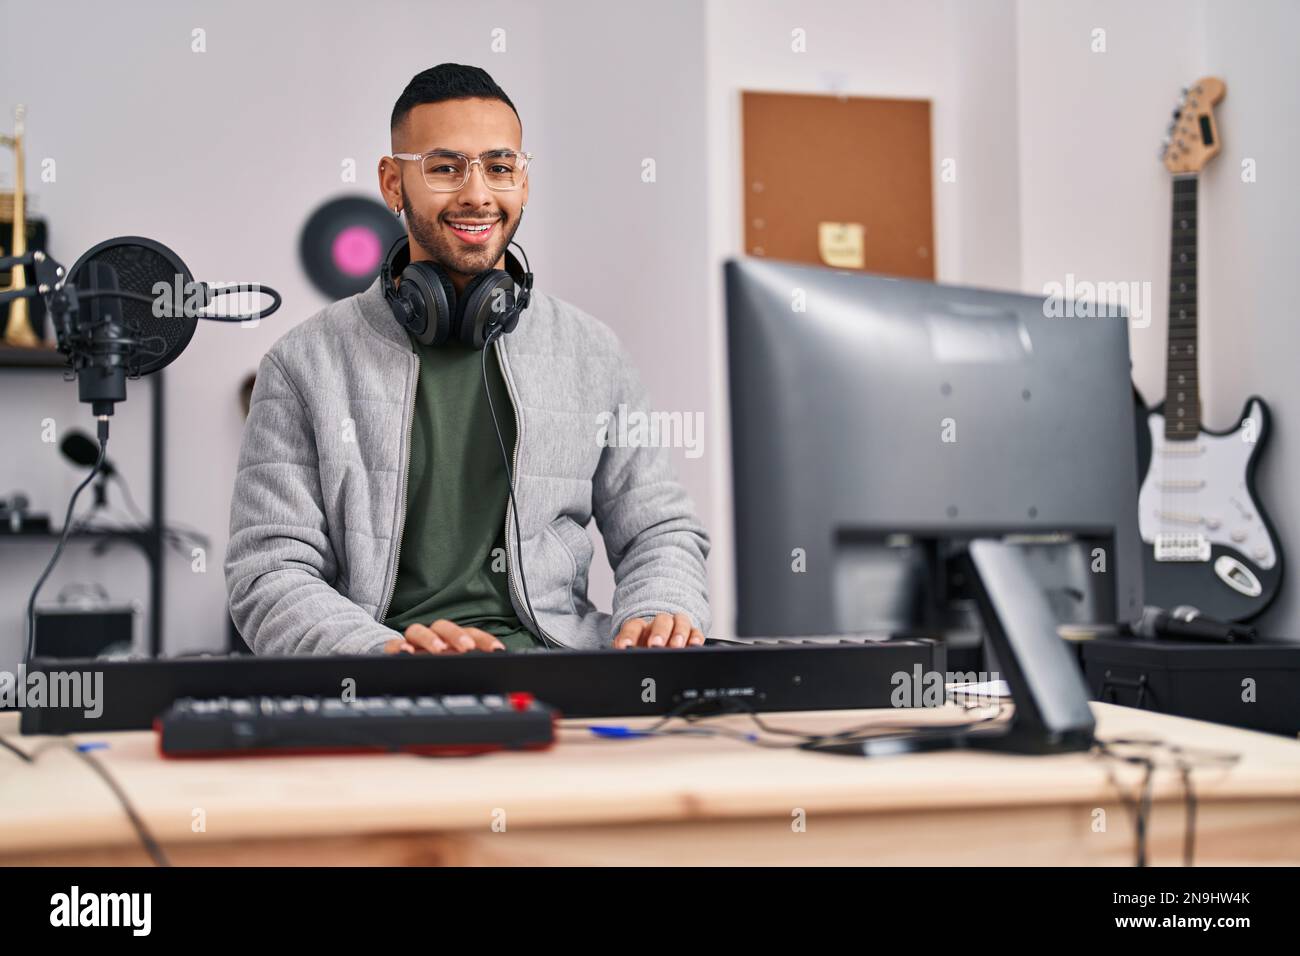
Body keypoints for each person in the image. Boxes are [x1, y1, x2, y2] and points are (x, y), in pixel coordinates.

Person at [225, 64, 710, 656]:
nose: (478, 194)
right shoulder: (303, 363)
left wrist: (661, 610)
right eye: (446, 167)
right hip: (382, 680)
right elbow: (268, 572)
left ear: (523, 183)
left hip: (562, 676)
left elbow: (657, 530)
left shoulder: (593, 354)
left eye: (500, 167)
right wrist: (380, 657)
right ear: (392, 183)